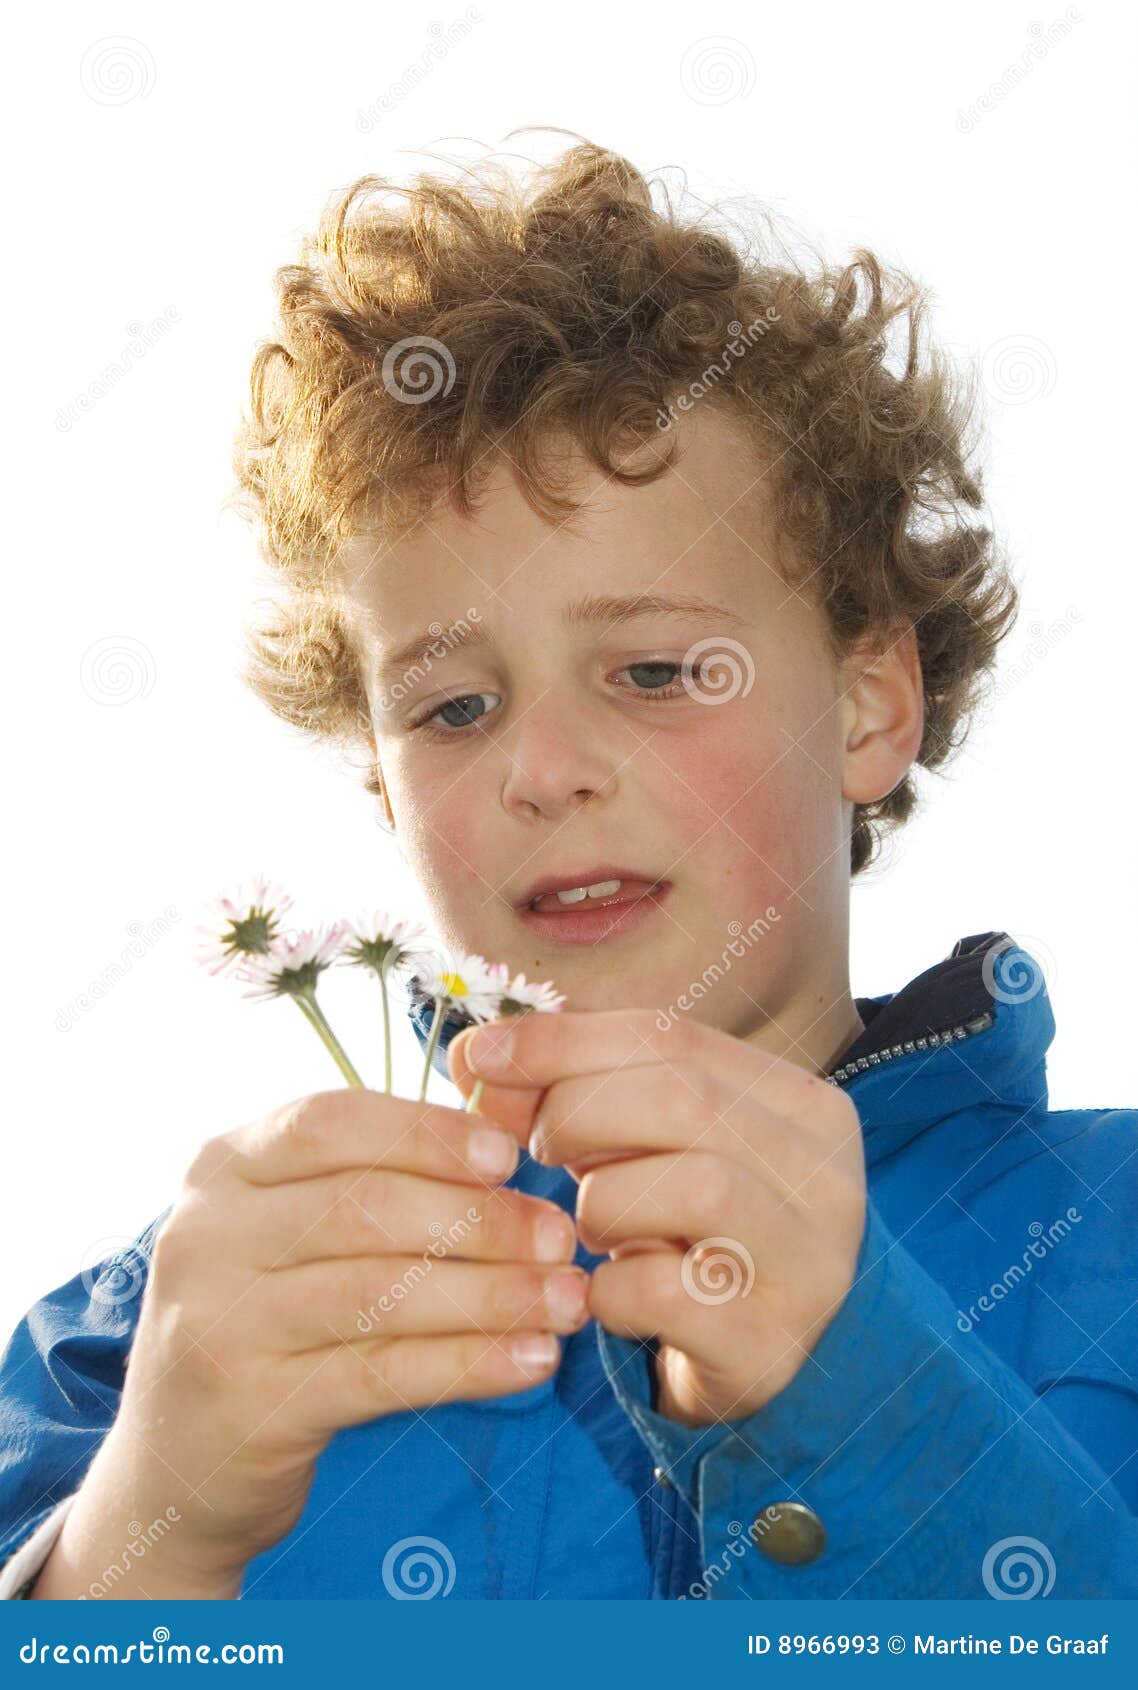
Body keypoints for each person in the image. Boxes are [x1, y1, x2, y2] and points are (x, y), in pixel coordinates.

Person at [2, 142, 1136, 1601]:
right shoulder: (160, 1325)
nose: (541, 767)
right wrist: (127, 1547)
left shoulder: (1103, 1228)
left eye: (656, 670)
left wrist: (875, 1411)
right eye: (452, 706)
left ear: (867, 703)